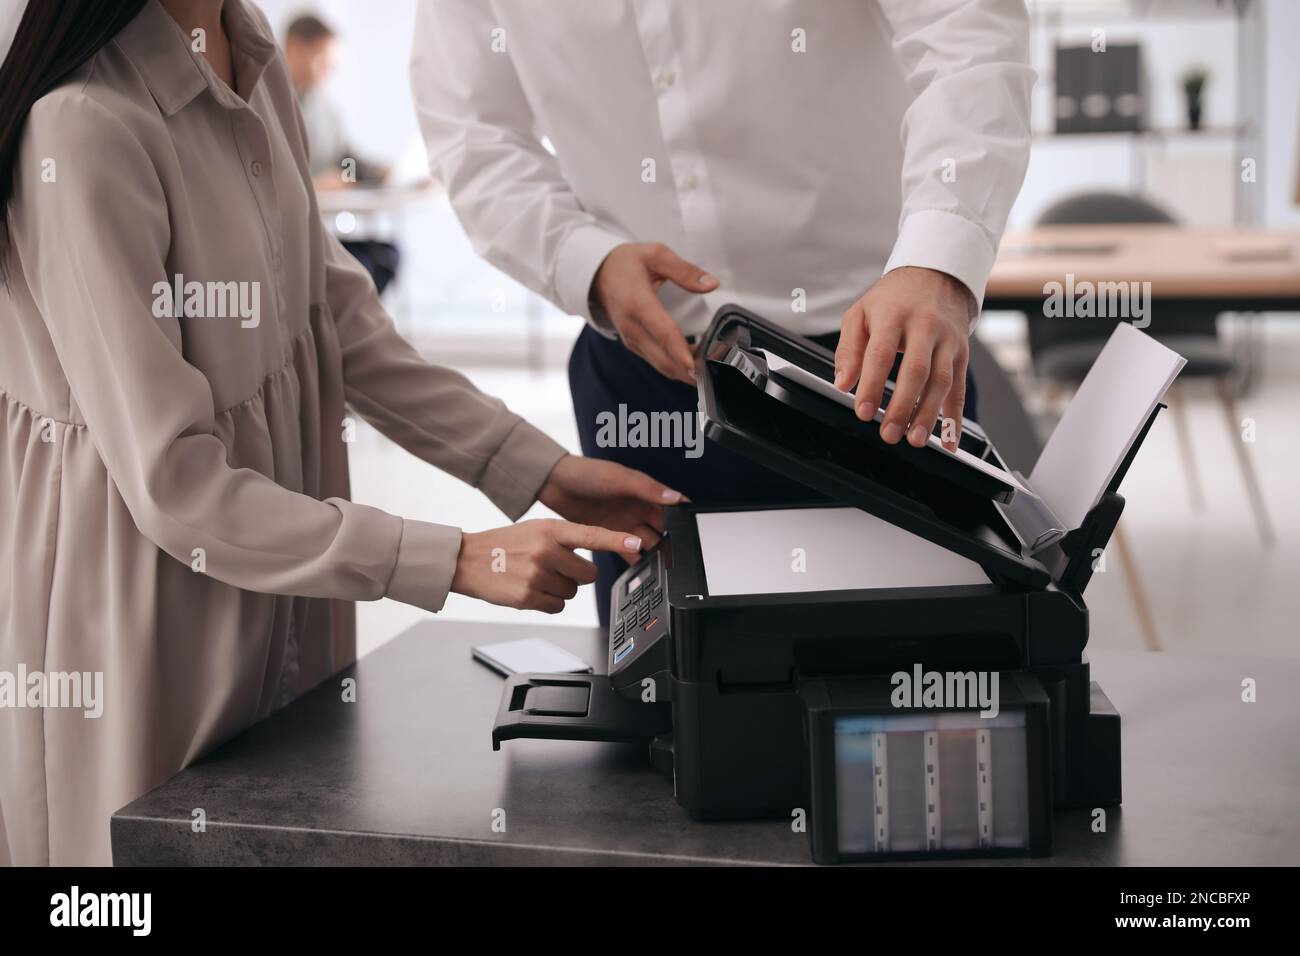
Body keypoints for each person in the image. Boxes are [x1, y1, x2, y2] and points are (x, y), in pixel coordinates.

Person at [0, 0, 679, 866]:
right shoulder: (84, 127)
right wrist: (458, 556)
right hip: (141, 625)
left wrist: (536, 467)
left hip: (289, 581)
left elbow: (335, 317)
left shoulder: (249, 55)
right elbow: (174, 485)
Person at [412, 0, 1034, 624]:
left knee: (917, 659)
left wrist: (938, 255)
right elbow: (473, 133)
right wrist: (586, 262)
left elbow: (966, 32)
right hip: (644, 375)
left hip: (876, 367)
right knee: (668, 687)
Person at [282, 12, 400, 293]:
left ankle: (346, 335)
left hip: (321, 230)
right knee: (359, 268)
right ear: (294, 49)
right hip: (288, 237)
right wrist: (313, 186)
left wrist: (387, 173)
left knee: (386, 257)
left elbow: (347, 157)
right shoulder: (267, 104)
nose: (329, 72)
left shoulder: (322, 104)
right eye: (323, 61)